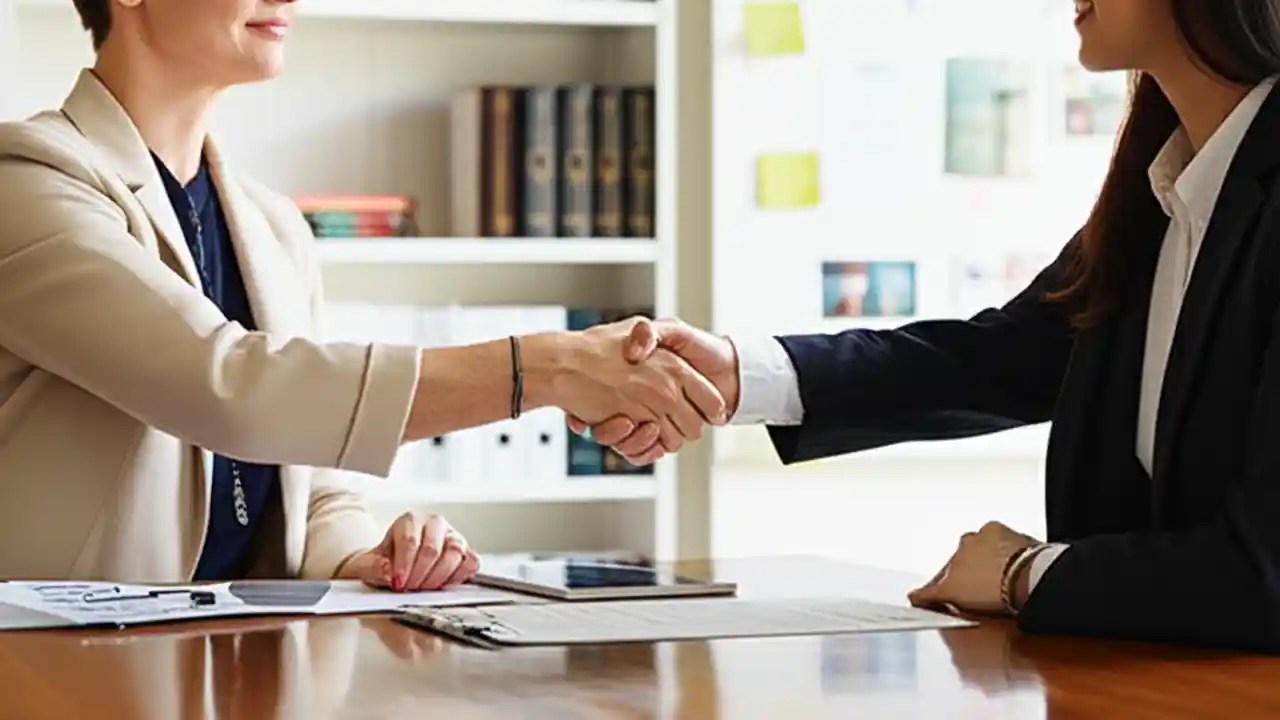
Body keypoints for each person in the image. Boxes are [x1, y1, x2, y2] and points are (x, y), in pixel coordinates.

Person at [581, 0, 1280, 651]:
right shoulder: (1166, 193)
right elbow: (997, 357)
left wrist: (1024, 573)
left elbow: (1263, 575)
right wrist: (736, 375)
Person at [0, 0, 726, 588]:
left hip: (232, 671)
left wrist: (363, 557)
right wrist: (544, 368)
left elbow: (316, 494)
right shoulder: (26, 179)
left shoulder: (274, 229)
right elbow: (227, 387)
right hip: (58, 674)